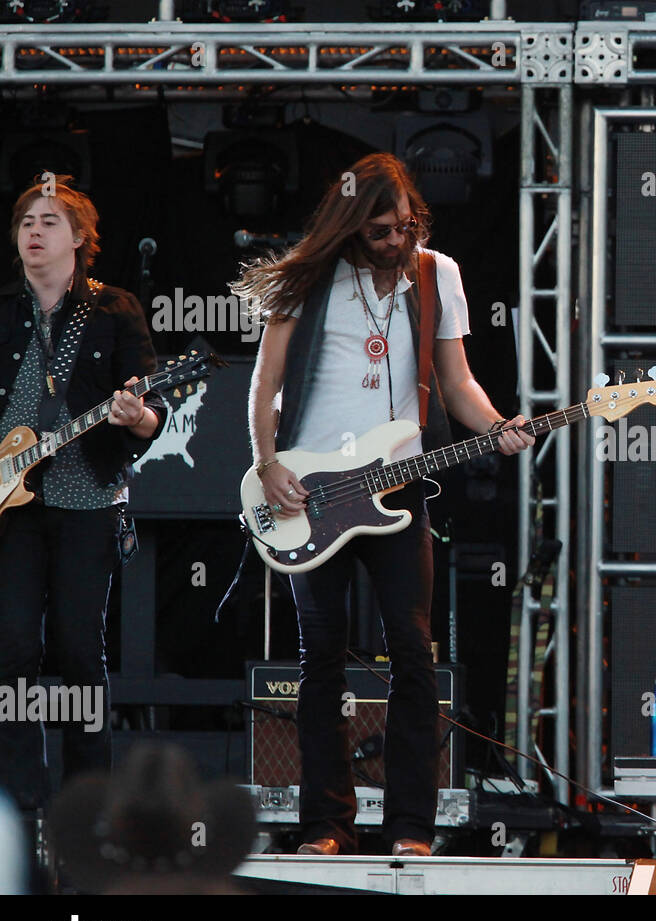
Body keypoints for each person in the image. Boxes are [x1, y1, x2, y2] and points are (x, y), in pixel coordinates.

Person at [232, 153, 532, 857]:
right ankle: (326, 825)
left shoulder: (438, 275)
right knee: (321, 661)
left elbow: (456, 383)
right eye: (378, 231)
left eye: (402, 227)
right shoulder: (311, 276)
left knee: (414, 655)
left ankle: (410, 827)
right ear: (350, 225)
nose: (393, 241)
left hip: (397, 489)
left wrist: (496, 428)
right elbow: (264, 384)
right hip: (312, 491)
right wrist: (267, 462)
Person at [0, 176, 167, 811]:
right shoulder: (4, 310)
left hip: (86, 498)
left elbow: (152, 415)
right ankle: (18, 804)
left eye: (48, 222)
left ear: (79, 239)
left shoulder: (114, 308)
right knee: (12, 647)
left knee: (78, 649)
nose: (34, 232)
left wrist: (137, 418)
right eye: (25, 223)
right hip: (12, 506)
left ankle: (87, 808)